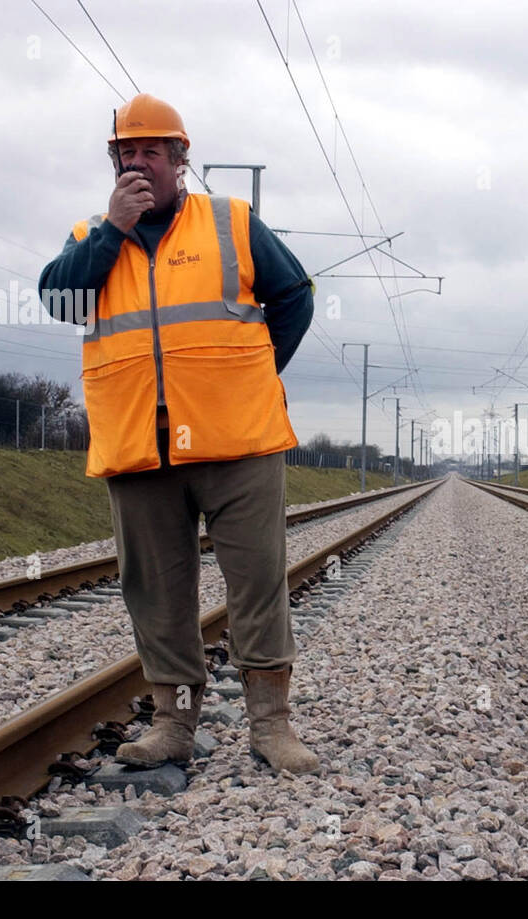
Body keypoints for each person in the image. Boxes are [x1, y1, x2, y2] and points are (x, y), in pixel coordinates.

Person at [39, 93, 319, 775]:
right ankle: (173, 725)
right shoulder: (91, 237)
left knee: (256, 583)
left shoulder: (231, 223)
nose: (138, 163)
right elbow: (57, 300)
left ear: (180, 160)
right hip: (139, 447)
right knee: (158, 594)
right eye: (126, 154)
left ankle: (271, 727)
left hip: (237, 443)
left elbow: (296, 295)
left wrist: (252, 375)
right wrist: (112, 230)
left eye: (152, 152)